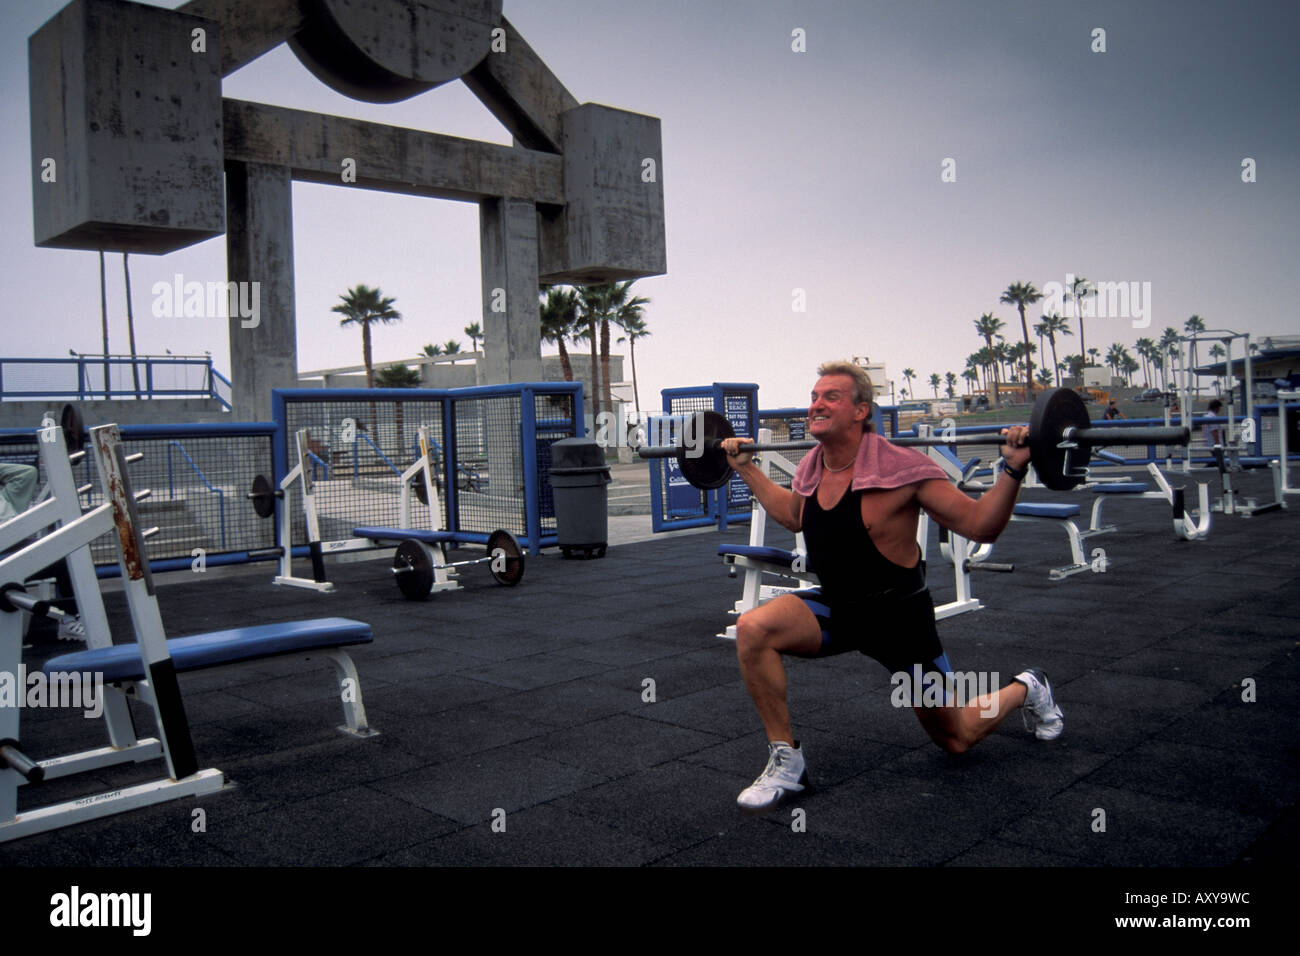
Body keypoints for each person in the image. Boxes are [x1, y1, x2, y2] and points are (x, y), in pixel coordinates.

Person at [720, 361, 1063, 814]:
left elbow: (981, 526)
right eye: (815, 395)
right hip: (840, 609)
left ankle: (1027, 686)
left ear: (861, 410)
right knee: (754, 628)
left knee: (956, 739)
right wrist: (746, 470)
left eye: (831, 397)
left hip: (900, 623)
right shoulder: (812, 464)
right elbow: (795, 516)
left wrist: (1013, 469)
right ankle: (787, 762)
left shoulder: (905, 469)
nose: (816, 404)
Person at [1204, 399, 1226, 473]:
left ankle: (1208, 469)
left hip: (1210, 442)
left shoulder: (1206, 416)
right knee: (1218, 458)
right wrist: (1218, 443)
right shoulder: (1212, 417)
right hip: (1214, 443)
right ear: (1216, 407)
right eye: (1219, 407)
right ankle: (1206, 469)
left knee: (1216, 459)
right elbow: (1214, 431)